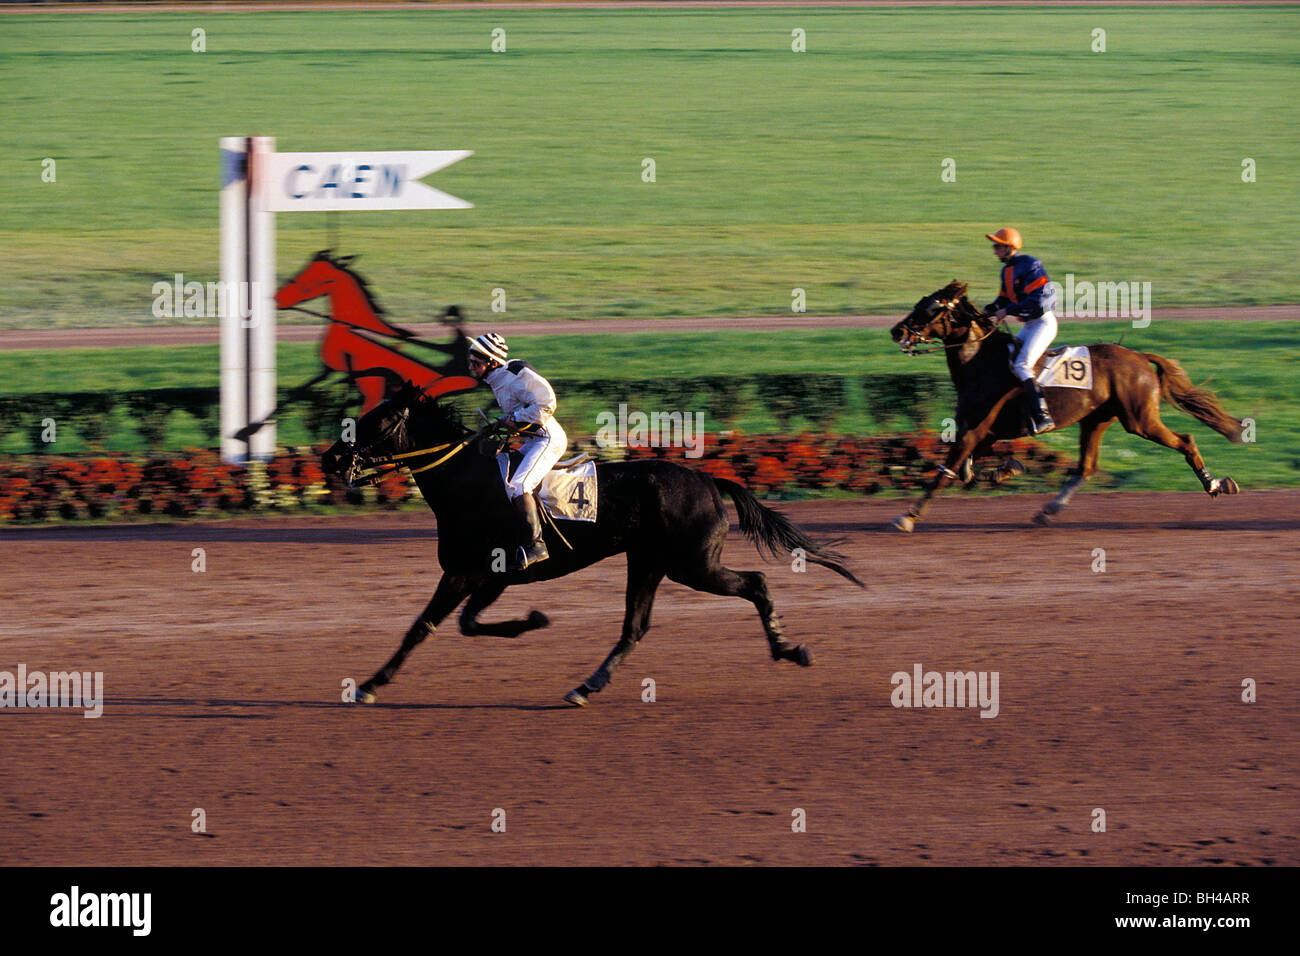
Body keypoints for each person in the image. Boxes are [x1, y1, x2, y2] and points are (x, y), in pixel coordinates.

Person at [466, 332, 567, 571]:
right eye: (470, 361)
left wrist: (515, 418)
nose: (470, 367)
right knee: (501, 472)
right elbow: (522, 411)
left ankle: (537, 545)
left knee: (520, 485)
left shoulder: (516, 374)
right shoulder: (498, 378)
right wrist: (501, 423)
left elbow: (548, 403)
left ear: (492, 362)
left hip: (547, 440)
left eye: (476, 363)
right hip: (533, 439)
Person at [983, 227, 1058, 434]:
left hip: (1043, 323)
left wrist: (1007, 310)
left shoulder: (1030, 265)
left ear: (1009, 247)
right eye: (994, 246)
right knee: (1009, 358)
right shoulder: (1006, 271)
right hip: (1030, 325)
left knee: (1022, 365)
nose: (994, 250)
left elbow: (1038, 299)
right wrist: (986, 311)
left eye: (997, 246)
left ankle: (1042, 416)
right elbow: (1002, 300)